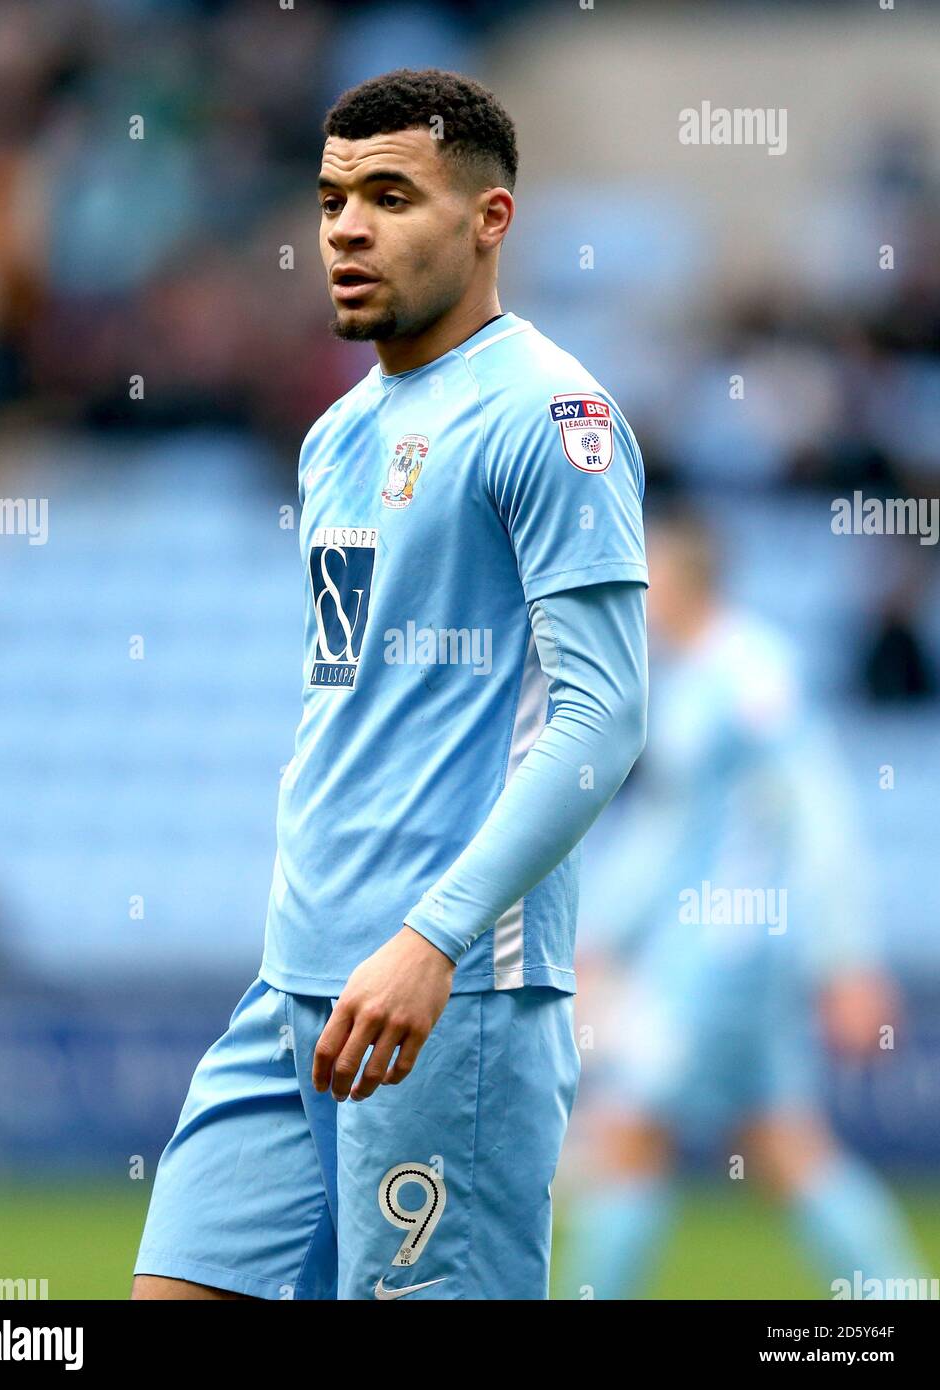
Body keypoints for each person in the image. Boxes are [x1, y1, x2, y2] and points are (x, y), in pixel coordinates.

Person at [131, 67, 648, 1302]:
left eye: (388, 195)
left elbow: (604, 715)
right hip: (294, 987)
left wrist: (431, 935)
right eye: (329, 198)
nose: (345, 228)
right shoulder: (335, 432)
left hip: (446, 997)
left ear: (490, 220)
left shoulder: (549, 413)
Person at [561, 504, 925, 1299]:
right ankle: (896, 1301)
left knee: (627, 1136)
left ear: (681, 581)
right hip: (719, 954)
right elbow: (670, 835)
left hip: (726, 956)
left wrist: (848, 960)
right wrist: (608, 935)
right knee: (783, 1145)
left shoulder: (751, 673)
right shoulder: (696, 681)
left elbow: (818, 810)